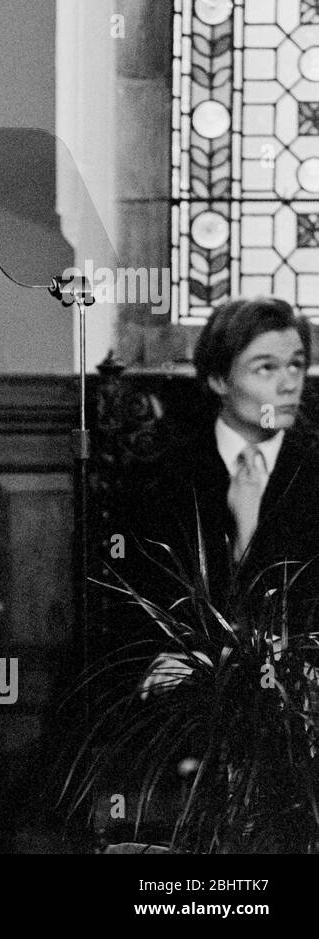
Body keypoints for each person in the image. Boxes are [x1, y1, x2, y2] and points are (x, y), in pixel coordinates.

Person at [114, 296, 319, 691]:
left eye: (296, 364)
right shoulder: (162, 476)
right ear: (219, 380)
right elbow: (130, 606)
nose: (290, 382)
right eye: (267, 368)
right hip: (187, 700)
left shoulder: (311, 470)